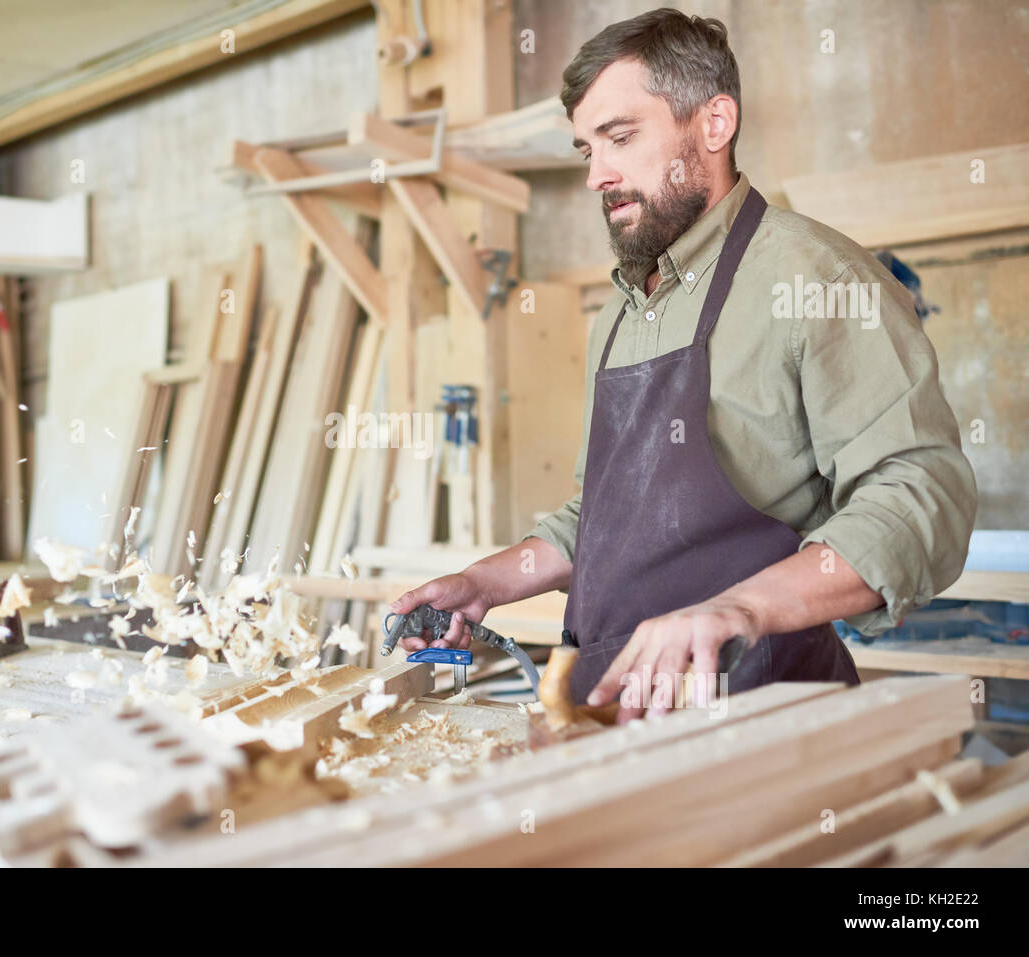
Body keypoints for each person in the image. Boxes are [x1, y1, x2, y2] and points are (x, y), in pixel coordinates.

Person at [390, 8, 977, 723]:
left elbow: (921, 492)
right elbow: (604, 518)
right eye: (586, 150)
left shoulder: (817, 278)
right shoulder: (623, 310)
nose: (596, 176)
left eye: (620, 137)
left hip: (759, 719)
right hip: (614, 709)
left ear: (714, 123)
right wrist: (486, 581)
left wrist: (738, 610)